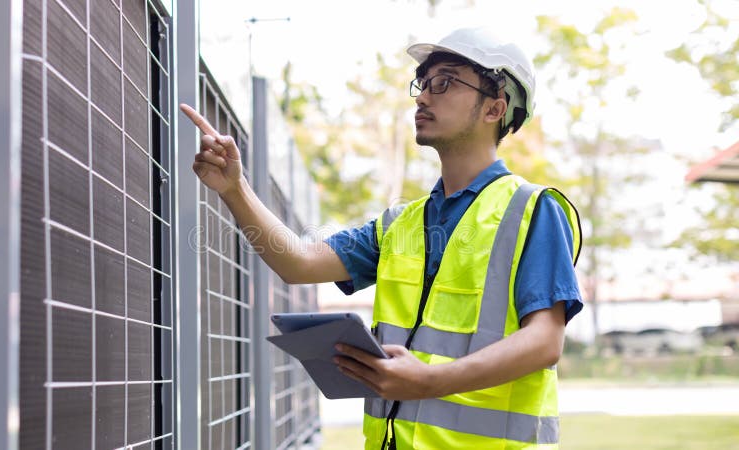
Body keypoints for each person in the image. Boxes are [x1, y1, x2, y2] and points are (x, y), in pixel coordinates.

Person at [181, 27, 582, 450]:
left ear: (494, 108)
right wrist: (234, 188)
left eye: (444, 83)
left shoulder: (533, 210)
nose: (423, 97)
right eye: (422, 85)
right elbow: (297, 262)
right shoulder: (400, 224)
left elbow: (544, 341)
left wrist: (429, 381)